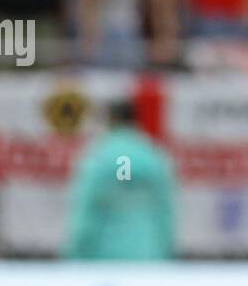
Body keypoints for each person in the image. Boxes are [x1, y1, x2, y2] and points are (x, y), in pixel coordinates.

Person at [64, 100, 176, 260]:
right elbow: (166, 213)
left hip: (105, 256)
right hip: (149, 255)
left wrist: (74, 255)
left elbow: (85, 211)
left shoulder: (98, 157)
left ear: (111, 120)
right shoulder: (154, 156)